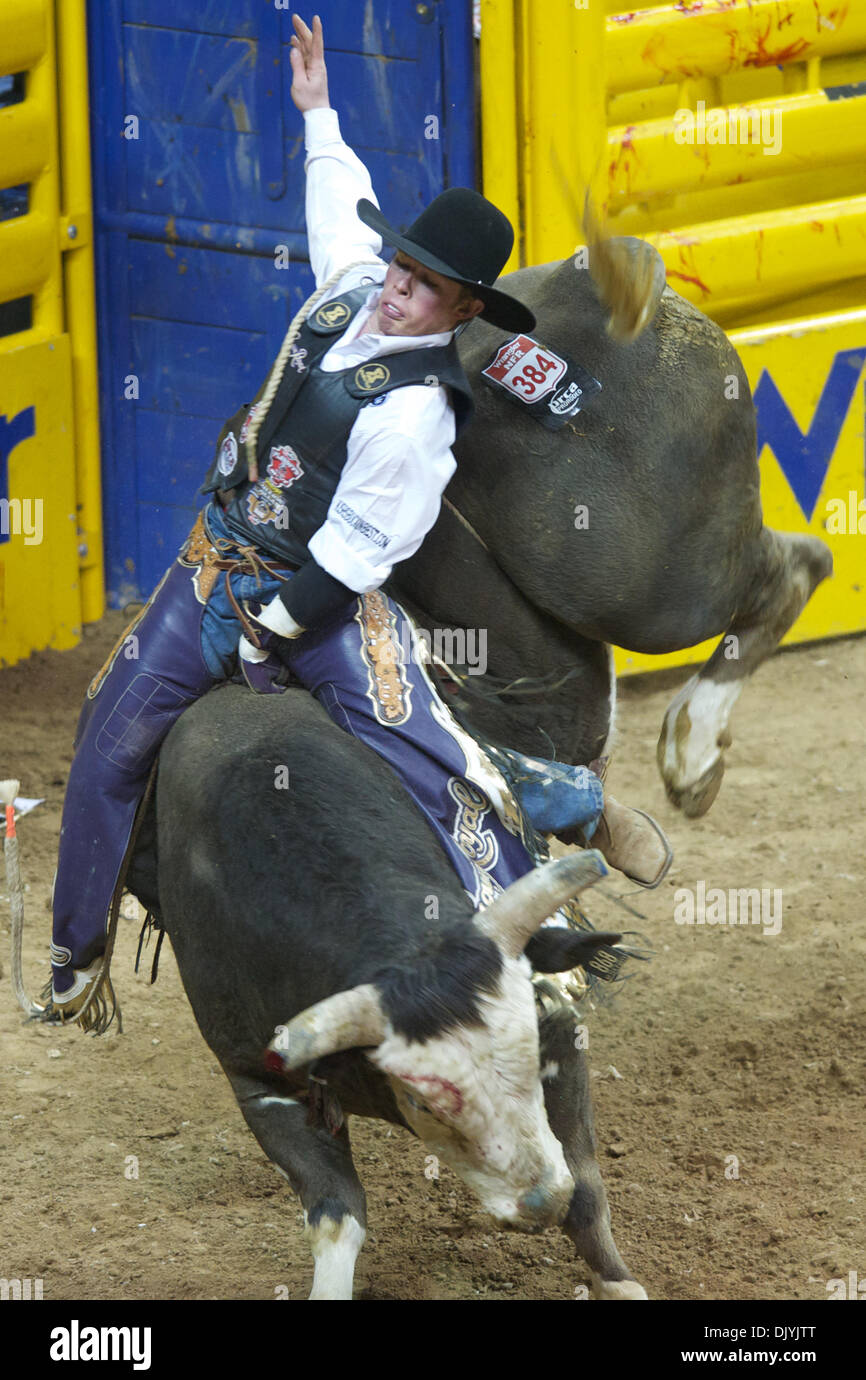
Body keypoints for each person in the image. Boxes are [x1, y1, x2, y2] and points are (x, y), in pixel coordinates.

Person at [45, 13, 670, 1030]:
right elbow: (337, 204)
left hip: (313, 602)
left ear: (463, 311)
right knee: (108, 738)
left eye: (421, 286)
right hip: (215, 566)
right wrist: (317, 110)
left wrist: (273, 632)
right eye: (399, 268)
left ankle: (542, 931)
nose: (395, 290)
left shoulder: (418, 415)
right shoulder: (351, 290)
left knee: (427, 761)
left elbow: (352, 554)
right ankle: (77, 958)